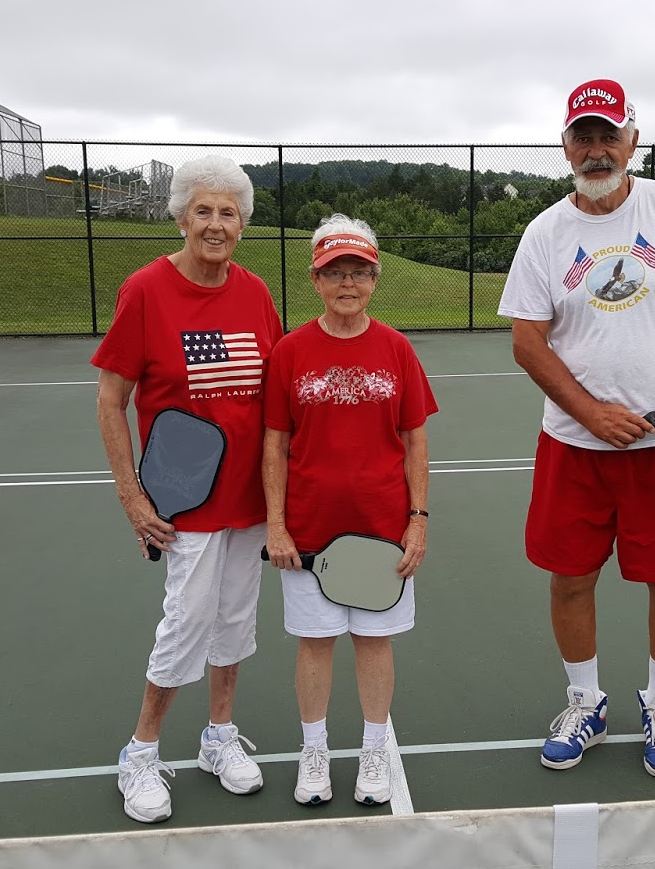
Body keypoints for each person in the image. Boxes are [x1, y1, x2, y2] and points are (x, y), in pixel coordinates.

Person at [496, 79, 655, 779]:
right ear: (565, 147)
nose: (595, 150)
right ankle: (586, 702)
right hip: (574, 446)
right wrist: (590, 411)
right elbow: (528, 342)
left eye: (608, 135)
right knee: (570, 578)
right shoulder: (545, 233)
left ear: (633, 139)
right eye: (582, 137)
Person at [92, 154, 284, 823]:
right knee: (187, 621)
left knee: (234, 621)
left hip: (250, 498)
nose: (215, 223)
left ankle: (218, 736)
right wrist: (132, 497)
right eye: (202, 210)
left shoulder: (256, 293)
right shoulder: (145, 290)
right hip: (185, 499)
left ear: (242, 224)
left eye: (228, 212)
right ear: (179, 216)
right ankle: (140, 752)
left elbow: (276, 400)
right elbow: (111, 398)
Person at [263, 214, 437, 807]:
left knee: (373, 642)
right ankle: (313, 751)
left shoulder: (396, 349)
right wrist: (277, 524)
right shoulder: (289, 352)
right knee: (315, 644)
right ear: (315, 279)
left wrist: (418, 519)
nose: (347, 283)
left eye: (358, 272)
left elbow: (415, 441)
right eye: (335, 271)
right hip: (309, 534)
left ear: (374, 278)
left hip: (383, 533)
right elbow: (275, 445)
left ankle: (371, 750)